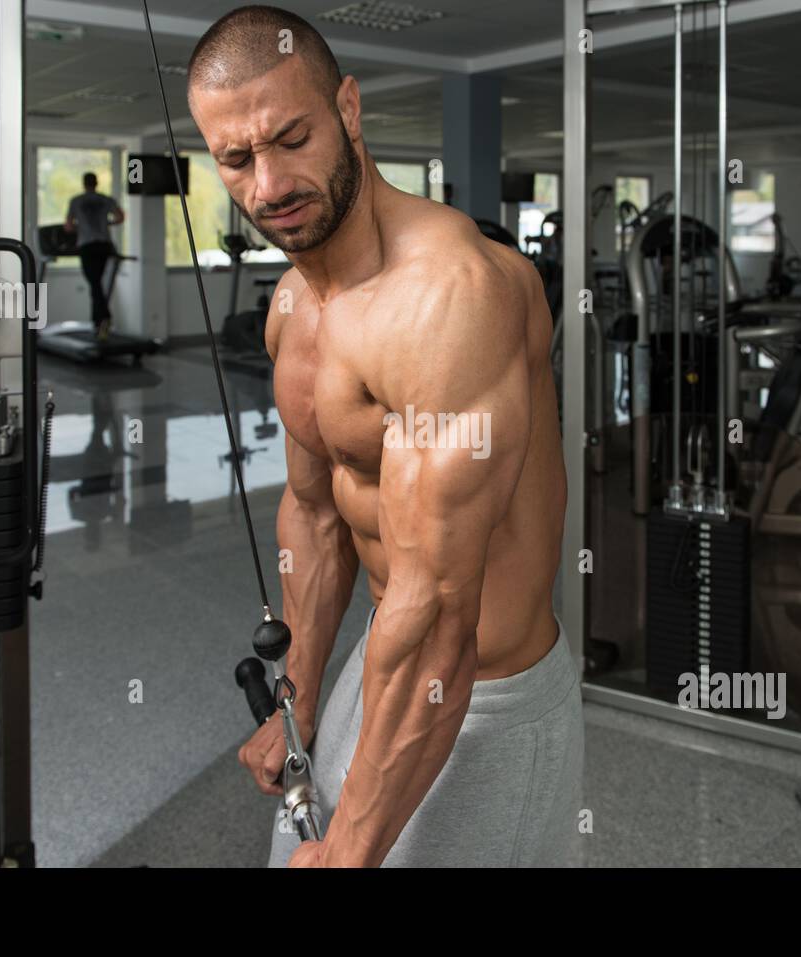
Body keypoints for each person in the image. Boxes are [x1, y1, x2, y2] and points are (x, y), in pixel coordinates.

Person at [189, 5, 581, 867]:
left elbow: (443, 605)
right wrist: (297, 695)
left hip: (484, 690)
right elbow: (316, 514)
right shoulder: (293, 310)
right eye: (236, 158)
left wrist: (354, 844)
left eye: (291, 137)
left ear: (350, 111)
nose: (269, 184)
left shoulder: (452, 296)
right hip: (387, 653)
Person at [64, 172, 125, 340]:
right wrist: (107, 223)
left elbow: (68, 226)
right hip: (104, 245)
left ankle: (104, 318)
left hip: (87, 245)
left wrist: (80, 228)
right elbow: (120, 217)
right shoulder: (106, 200)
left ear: (84, 184)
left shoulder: (76, 201)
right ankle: (98, 322)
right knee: (96, 284)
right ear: (96, 183)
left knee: (95, 284)